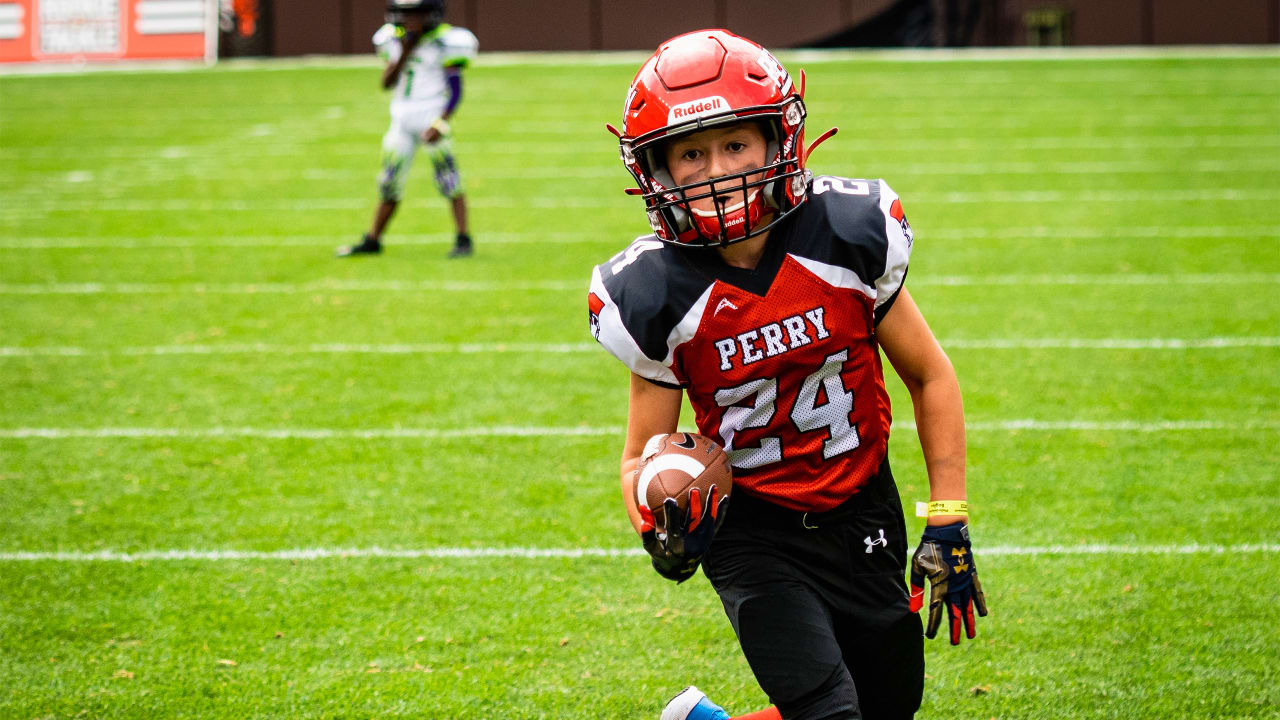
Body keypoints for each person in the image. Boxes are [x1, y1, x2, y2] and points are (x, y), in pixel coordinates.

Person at [587, 30, 988, 719]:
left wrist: (947, 515)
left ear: (779, 141)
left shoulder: (845, 235)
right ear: (657, 168)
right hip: (753, 529)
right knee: (829, 711)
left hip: (862, 502)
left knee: (885, 705)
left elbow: (929, 376)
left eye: (735, 144)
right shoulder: (654, 293)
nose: (716, 169)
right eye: (691, 153)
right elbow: (638, 458)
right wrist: (658, 526)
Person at [337, 0, 478, 258]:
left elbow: (456, 89)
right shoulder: (392, 39)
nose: (410, 20)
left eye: (417, 14)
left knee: (448, 178)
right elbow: (387, 82)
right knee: (389, 181)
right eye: (406, 13)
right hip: (401, 117)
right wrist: (404, 50)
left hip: (432, 115)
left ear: (432, 14)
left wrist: (441, 122)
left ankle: (463, 238)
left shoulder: (446, 41)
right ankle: (373, 239)